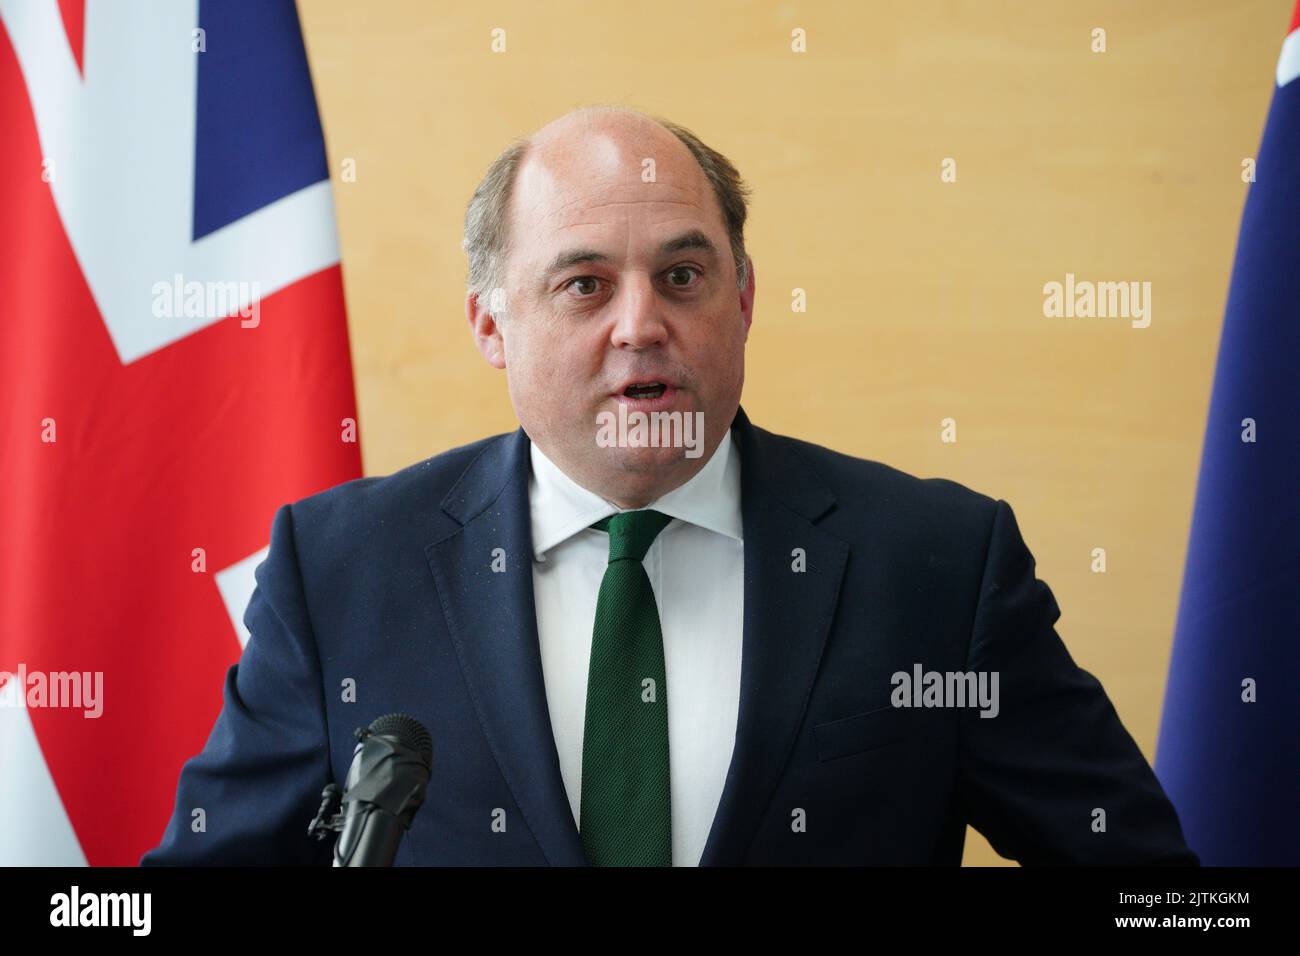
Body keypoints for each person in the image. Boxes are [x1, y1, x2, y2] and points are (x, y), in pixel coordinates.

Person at [141, 106, 1197, 866]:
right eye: (583, 283)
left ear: (742, 300)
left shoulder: (932, 563)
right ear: (490, 327)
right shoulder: (343, 570)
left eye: (683, 277)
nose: (641, 323)